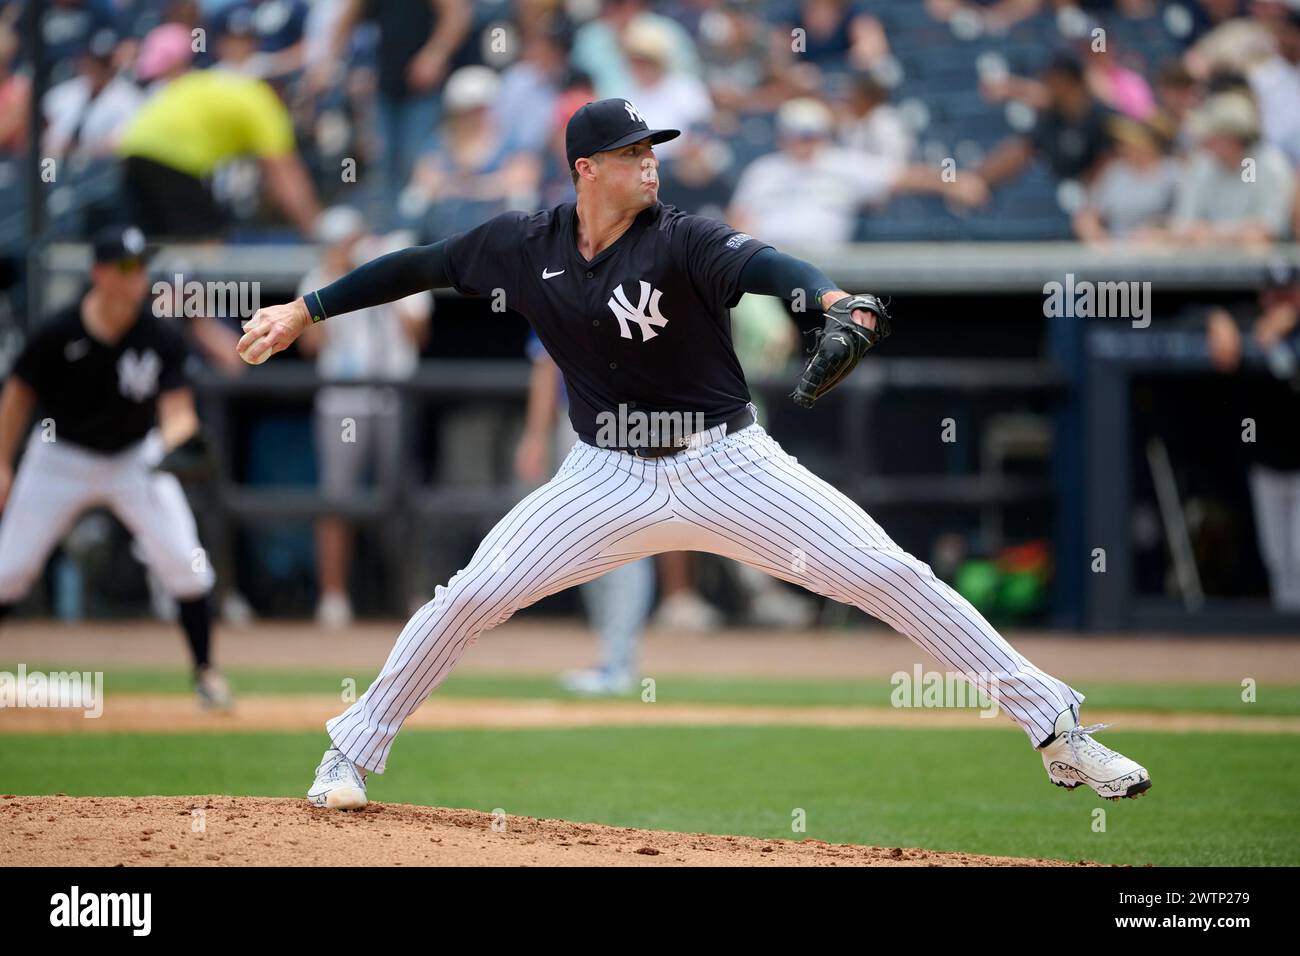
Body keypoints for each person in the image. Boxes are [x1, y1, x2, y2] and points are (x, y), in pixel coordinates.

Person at [238, 98, 1150, 810]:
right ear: (586, 169)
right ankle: (351, 749)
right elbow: (418, 265)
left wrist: (830, 299)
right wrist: (302, 309)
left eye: (654, 151)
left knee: (889, 572)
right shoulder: (525, 244)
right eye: (635, 154)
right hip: (605, 474)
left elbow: (769, 268)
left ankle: (1056, 726)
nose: (651, 165)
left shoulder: (686, 237)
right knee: (471, 595)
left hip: (728, 465)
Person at [0, 225, 228, 710]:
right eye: (125, 267)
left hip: (133, 457)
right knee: (9, 571)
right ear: (98, 273)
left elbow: (176, 410)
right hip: (60, 457)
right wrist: (1, 461)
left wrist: (180, 440)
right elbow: (17, 397)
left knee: (185, 563)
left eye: (141, 266)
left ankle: (206, 673)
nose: (137, 276)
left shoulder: (160, 335)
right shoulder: (58, 331)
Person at [294, 207, 431, 628]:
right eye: (338, 245)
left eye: (350, 241)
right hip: (343, 401)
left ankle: (412, 594)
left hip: (395, 396)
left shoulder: (396, 264)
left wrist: (377, 282)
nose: (346, 250)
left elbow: (418, 335)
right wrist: (337, 288)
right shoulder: (318, 279)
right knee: (338, 497)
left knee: (401, 495)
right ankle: (333, 598)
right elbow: (311, 347)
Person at [515, 335, 655, 694]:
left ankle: (618, 662)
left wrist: (534, 435)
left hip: (620, 419)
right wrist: (535, 435)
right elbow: (546, 362)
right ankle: (613, 659)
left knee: (622, 542)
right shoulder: (558, 279)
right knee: (590, 542)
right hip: (585, 417)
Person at [117, 23, 322, 238]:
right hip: (172, 156)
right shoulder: (264, 104)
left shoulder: (223, 83)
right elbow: (286, 179)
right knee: (207, 241)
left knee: (150, 242)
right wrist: (315, 232)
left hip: (133, 147)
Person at [1204, 262, 1300, 609]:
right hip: (1267, 463)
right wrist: (1217, 317)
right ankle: (1285, 645)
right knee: (1278, 560)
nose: (1280, 304)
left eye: (1288, 294)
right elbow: (1192, 306)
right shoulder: (1247, 322)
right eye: (1274, 295)